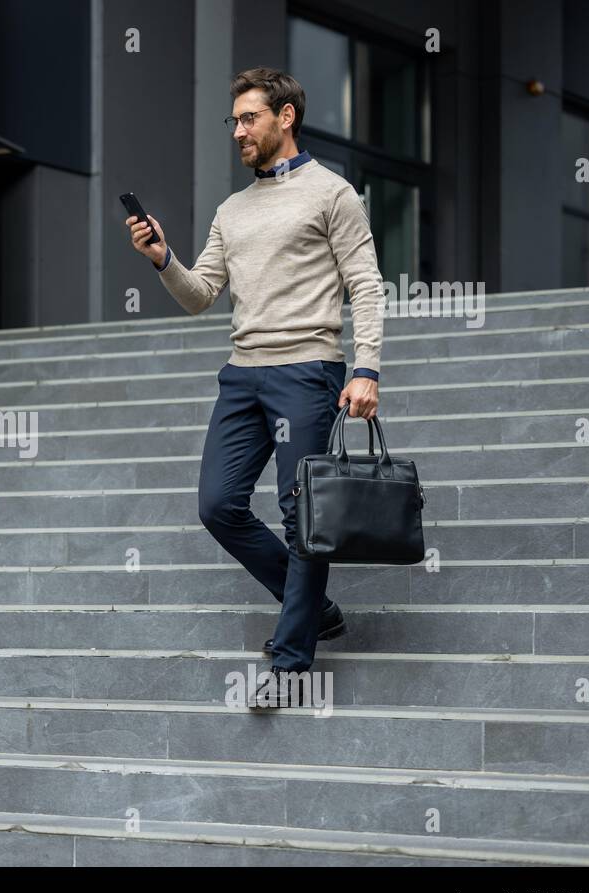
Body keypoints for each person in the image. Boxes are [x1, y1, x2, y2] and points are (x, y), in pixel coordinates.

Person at [126, 66, 385, 709]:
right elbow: (199, 296)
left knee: (301, 515)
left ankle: (293, 660)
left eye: (249, 118)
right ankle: (315, 609)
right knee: (218, 504)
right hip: (243, 375)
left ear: (285, 117)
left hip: (308, 370)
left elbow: (366, 286)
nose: (238, 130)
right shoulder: (231, 211)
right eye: (234, 120)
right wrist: (163, 259)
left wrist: (367, 368)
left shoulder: (333, 194)